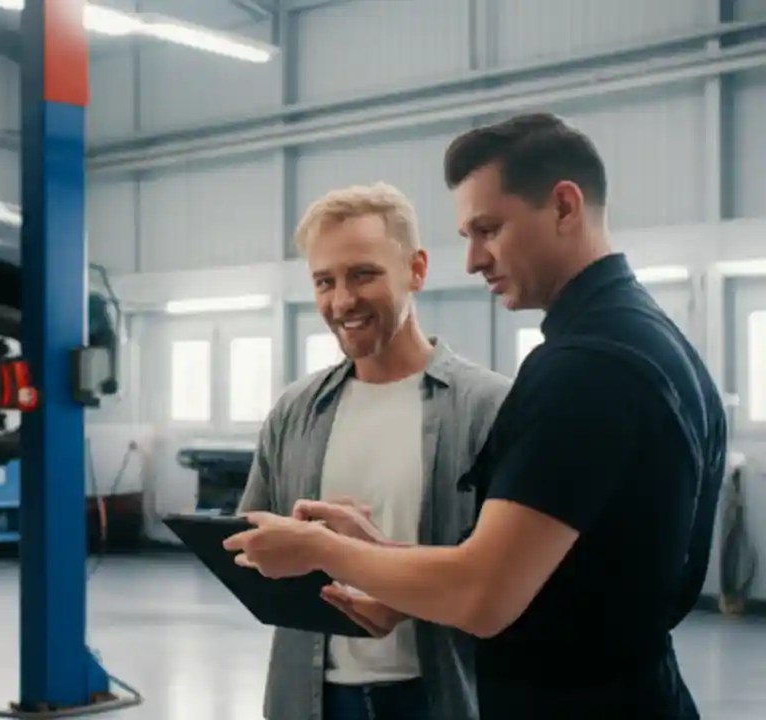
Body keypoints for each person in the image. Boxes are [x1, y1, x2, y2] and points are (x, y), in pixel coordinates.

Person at [224, 113, 727, 720]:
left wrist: (321, 549)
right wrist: (383, 556)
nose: (474, 260)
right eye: (323, 281)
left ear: (564, 206)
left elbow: (482, 592)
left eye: (488, 229)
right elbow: (537, 571)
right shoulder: (647, 339)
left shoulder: (585, 369)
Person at [236, 182, 512, 720]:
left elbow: (512, 581)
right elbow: (249, 543)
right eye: (324, 282)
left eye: (363, 274)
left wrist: (398, 591)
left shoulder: (490, 408)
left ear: (416, 269)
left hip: (440, 696)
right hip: (313, 699)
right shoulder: (295, 411)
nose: (342, 301)